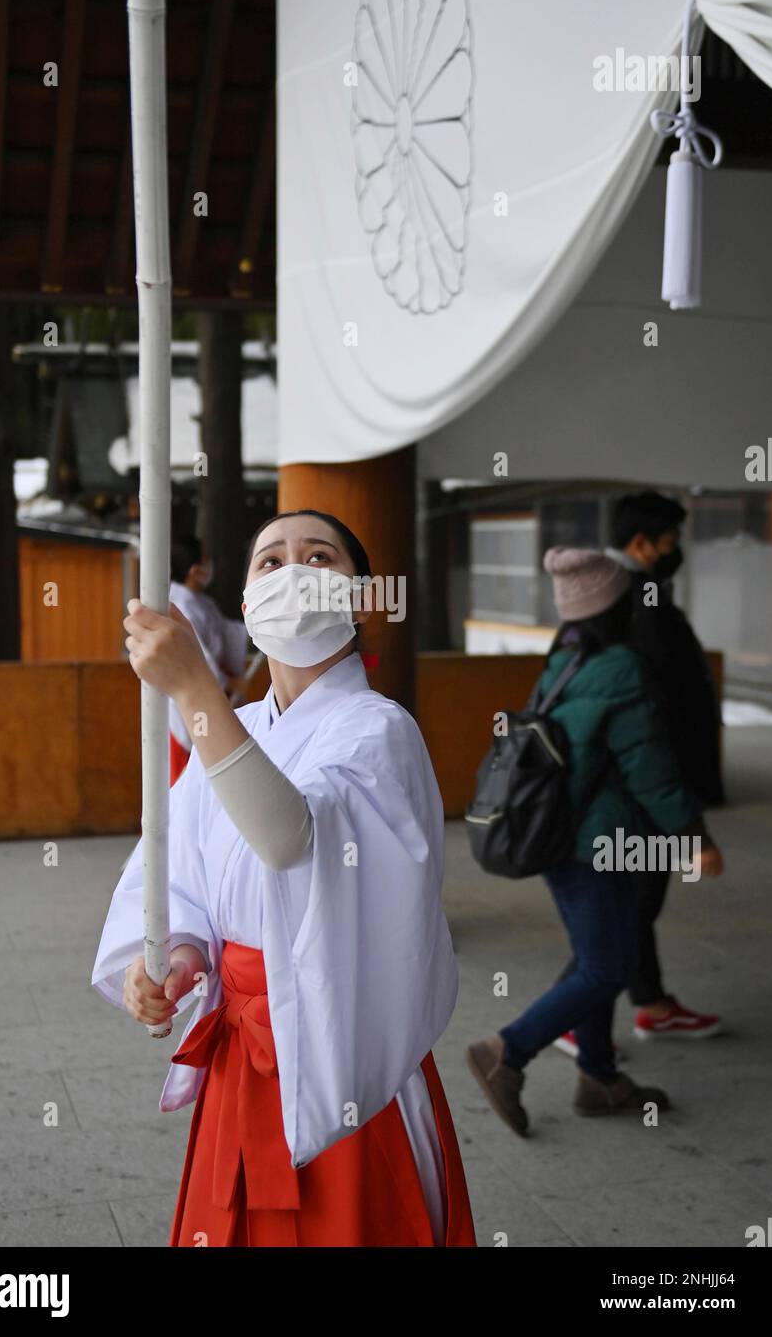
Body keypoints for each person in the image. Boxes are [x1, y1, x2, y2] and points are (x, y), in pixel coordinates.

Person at [92, 509, 476, 1247]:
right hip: (244, 1054)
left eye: (319, 556)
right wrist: (177, 954)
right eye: (270, 560)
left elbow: (288, 837)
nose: (292, 571)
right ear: (244, 603)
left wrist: (192, 690)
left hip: (340, 1050)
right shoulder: (243, 726)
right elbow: (178, 871)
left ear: (360, 599)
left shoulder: (376, 728)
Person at [466, 548, 724, 1138]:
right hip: (598, 846)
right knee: (607, 968)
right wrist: (694, 836)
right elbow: (648, 766)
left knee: (602, 952)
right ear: (618, 607)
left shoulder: (565, 661)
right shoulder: (624, 669)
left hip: (563, 837)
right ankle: (506, 1051)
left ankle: (601, 1078)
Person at [557, 492, 723, 1050]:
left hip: (622, 793)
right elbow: (648, 724)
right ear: (642, 543)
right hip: (631, 796)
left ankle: (644, 1006)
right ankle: (561, 1023)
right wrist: (688, 825)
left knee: (632, 904)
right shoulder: (635, 601)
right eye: (672, 541)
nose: (677, 552)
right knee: (629, 907)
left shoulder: (607, 598)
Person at [167, 535, 249, 784]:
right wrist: (226, 681)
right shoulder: (180, 605)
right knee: (187, 776)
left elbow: (229, 633)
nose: (210, 565)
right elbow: (197, 656)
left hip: (214, 695)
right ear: (195, 571)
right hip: (190, 701)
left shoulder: (202, 603)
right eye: (205, 559)